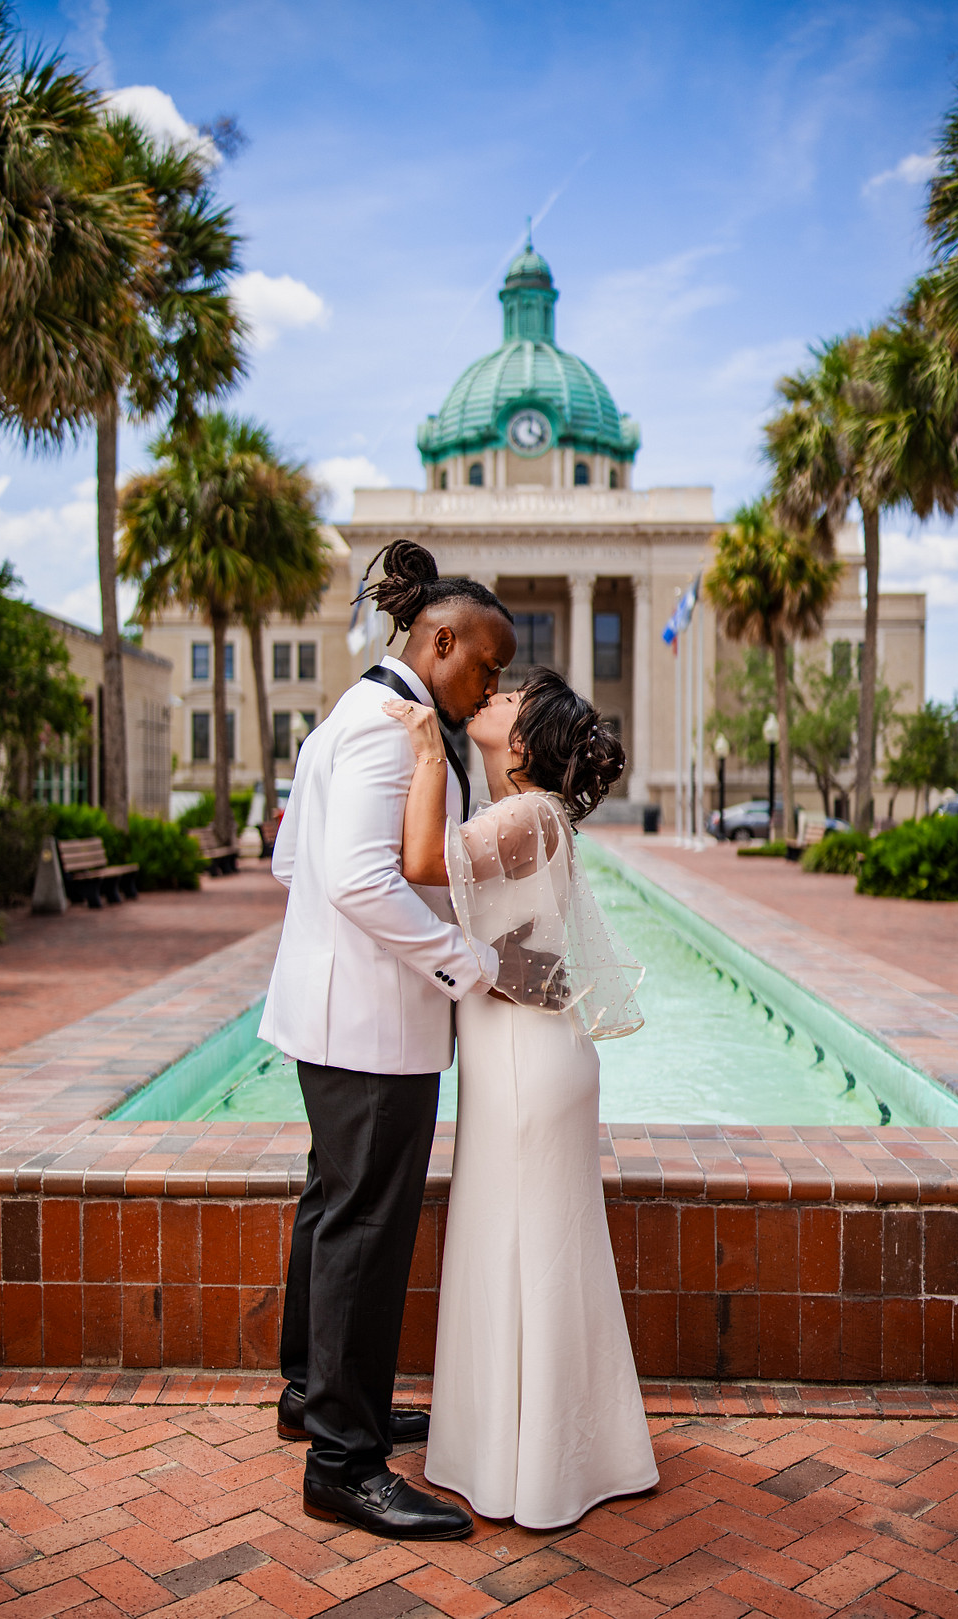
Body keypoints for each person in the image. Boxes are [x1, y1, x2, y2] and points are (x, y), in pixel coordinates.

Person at [259, 541, 561, 1540]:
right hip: (372, 1026)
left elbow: (287, 859)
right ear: (439, 640)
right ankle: (345, 1461)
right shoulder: (394, 728)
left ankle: (317, 1394)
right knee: (366, 1231)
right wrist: (464, 963)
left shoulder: (353, 712)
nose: (491, 685)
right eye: (484, 664)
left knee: (331, 1207)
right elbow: (354, 878)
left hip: (331, 1013)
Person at [383, 665, 659, 1528]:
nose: (489, 700)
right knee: (529, 1252)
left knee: (526, 1252)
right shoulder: (537, 820)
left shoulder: (529, 813)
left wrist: (427, 751)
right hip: (528, 1055)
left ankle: (536, 1468)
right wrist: (500, 977)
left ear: (530, 738)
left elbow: (421, 861)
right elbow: (527, 956)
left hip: (525, 1069)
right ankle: (544, 1454)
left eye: (507, 699)